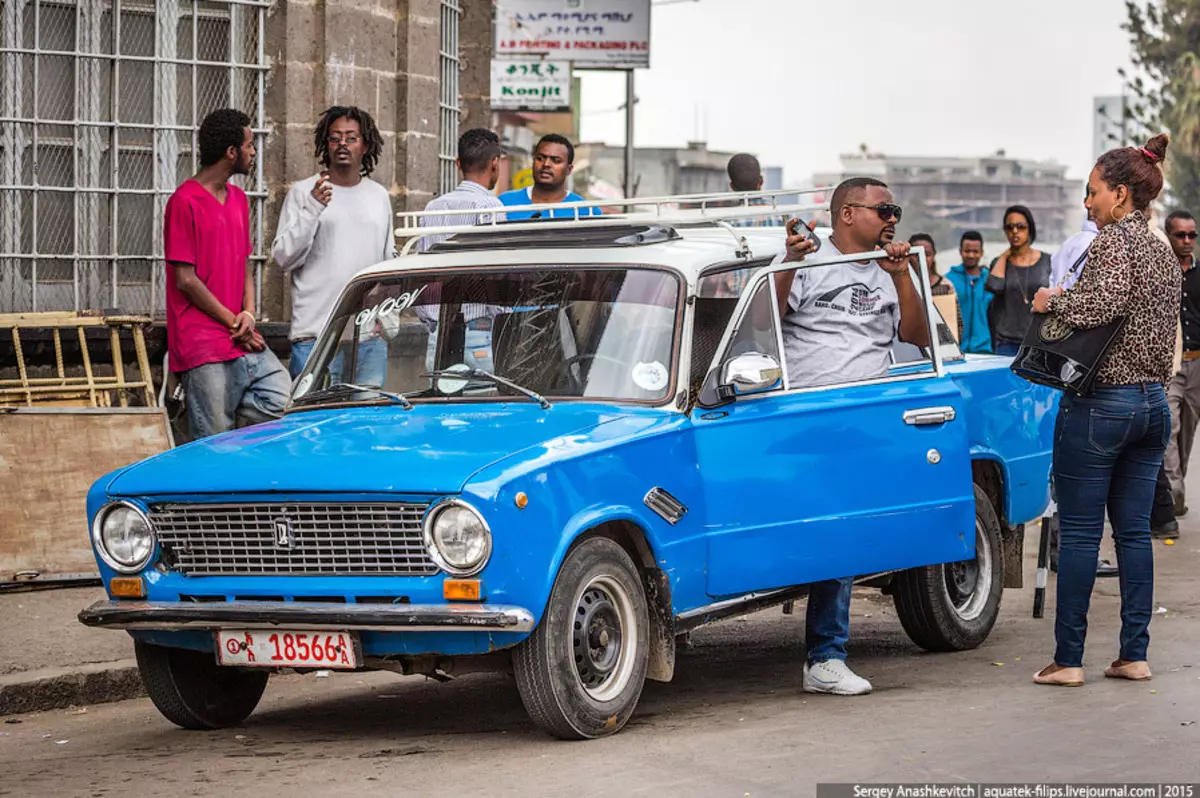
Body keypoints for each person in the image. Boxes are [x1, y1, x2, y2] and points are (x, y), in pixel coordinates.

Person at [1030, 134, 1180, 687]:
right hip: (1151, 405)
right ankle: (1133, 654)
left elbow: (1098, 305)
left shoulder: (1114, 243)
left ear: (1119, 195)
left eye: (1093, 193)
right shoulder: (1162, 246)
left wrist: (1051, 301)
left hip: (1103, 408)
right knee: (1135, 534)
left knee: (1082, 534)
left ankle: (1069, 660)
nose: (1087, 204)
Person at [773, 177, 930, 695]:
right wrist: (790, 262)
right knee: (831, 527)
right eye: (884, 209)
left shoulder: (890, 270)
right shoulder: (811, 261)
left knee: (844, 529)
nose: (892, 218)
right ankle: (824, 656)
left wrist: (902, 275)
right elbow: (767, 321)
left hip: (867, 415)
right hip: (806, 413)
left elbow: (917, 337)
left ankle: (825, 656)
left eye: (896, 210)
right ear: (847, 213)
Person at [164, 108, 289, 440]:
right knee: (214, 443)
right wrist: (234, 321)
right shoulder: (183, 201)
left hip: (240, 337)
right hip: (202, 343)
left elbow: (244, 261)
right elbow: (186, 280)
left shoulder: (238, 198)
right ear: (231, 152)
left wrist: (248, 312)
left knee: (282, 400)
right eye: (249, 145)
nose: (253, 152)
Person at [272, 106, 394, 386]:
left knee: (368, 423)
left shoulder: (378, 196)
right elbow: (284, 258)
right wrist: (313, 207)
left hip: (368, 337)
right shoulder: (304, 193)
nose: (342, 144)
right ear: (325, 144)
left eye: (351, 138)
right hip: (316, 337)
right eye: (335, 137)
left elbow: (388, 263)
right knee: (315, 425)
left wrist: (385, 319)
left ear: (365, 145)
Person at [416, 128, 507, 372]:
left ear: (458, 163)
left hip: (437, 331)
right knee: (481, 405)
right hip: (478, 329)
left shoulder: (433, 207)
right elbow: (497, 271)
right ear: (495, 164)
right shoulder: (492, 207)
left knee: (438, 406)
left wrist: (429, 318)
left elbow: (420, 270)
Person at [1162, 209, 1200, 528]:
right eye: (1180, 235)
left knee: (1187, 431)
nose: (1187, 241)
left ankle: (1176, 485)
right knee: (1169, 428)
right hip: (1171, 363)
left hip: (1198, 363)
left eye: (1192, 235)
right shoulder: (1161, 273)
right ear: (1168, 235)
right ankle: (1173, 491)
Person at [986, 205, 1052, 355]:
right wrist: (1004, 256)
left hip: (1038, 341)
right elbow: (994, 286)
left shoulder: (1047, 261)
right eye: (1009, 227)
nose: (1014, 231)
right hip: (1006, 342)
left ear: (1030, 229)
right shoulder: (1000, 263)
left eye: (1020, 226)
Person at [499, 134, 600, 220]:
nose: (546, 164)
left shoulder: (586, 211)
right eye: (540, 158)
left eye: (556, 161)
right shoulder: (504, 203)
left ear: (569, 169)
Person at [945, 231, 993, 354]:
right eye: (967, 251)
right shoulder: (948, 280)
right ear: (960, 252)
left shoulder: (990, 280)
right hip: (956, 350)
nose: (971, 255)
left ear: (981, 253)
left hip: (985, 350)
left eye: (975, 252)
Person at [909, 233, 961, 342]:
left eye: (927, 254)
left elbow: (957, 323)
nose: (921, 259)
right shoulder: (904, 286)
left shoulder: (946, 286)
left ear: (934, 255)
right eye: (916, 255)